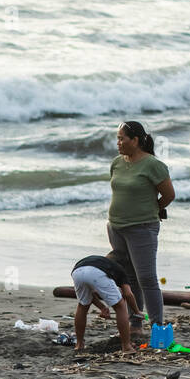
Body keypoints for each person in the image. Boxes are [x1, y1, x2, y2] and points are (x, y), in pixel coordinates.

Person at [107, 121, 174, 331]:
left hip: (142, 228)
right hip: (116, 226)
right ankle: (135, 323)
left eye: (122, 138)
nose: (118, 142)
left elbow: (169, 195)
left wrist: (152, 211)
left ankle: (157, 327)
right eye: (117, 138)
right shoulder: (117, 163)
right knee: (128, 276)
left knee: (146, 278)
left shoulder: (153, 165)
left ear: (135, 140)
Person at [71, 254, 138, 352]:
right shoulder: (119, 269)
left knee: (82, 306)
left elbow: (90, 294)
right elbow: (128, 294)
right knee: (120, 306)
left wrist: (102, 307)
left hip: (77, 271)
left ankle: (79, 344)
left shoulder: (99, 261)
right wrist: (136, 311)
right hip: (95, 273)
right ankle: (127, 346)